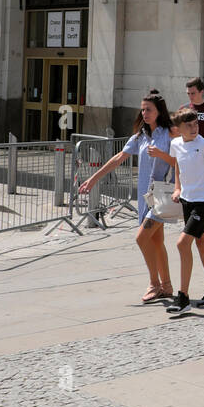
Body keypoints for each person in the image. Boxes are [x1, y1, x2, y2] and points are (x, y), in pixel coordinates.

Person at [79, 90, 175, 303]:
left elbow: (182, 160)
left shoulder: (170, 133)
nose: (144, 113)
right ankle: (166, 286)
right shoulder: (139, 137)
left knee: (141, 238)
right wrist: (94, 178)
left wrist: (163, 156)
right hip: (145, 197)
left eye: (149, 109)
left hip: (163, 195)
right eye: (142, 109)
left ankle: (154, 284)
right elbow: (118, 158)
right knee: (157, 241)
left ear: (159, 111)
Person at [150, 106, 204, 316]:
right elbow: (178, 166)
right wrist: (178, 187)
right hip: (188, 200)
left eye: (196, 124)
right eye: (188, 125)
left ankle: (183, 298)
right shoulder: (176, 144)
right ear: (178, 129)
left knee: (182, 243)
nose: (194, 128)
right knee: (202, 242)